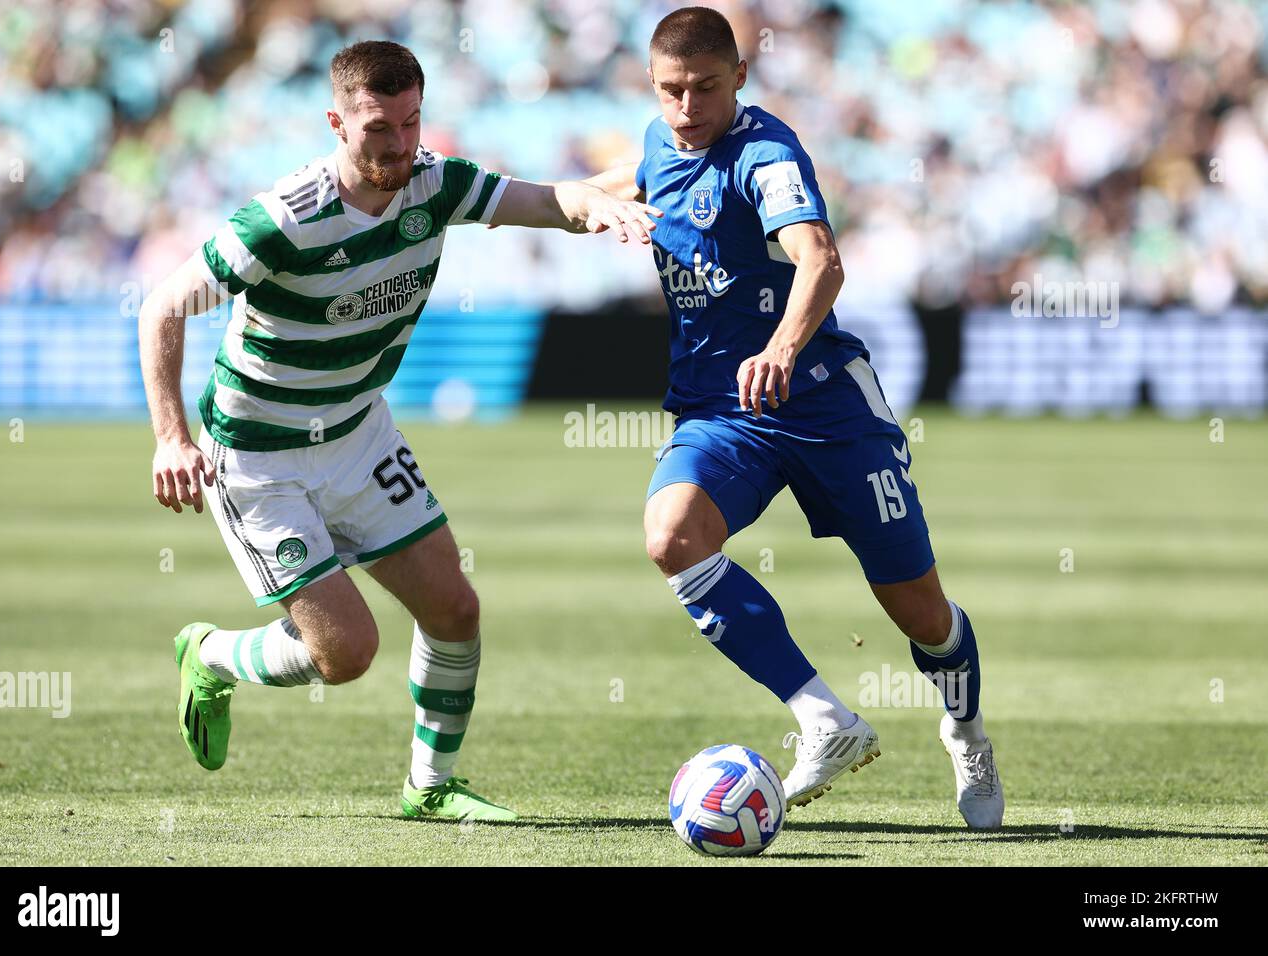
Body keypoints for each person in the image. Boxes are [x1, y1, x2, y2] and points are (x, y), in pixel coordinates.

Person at [138, 40, 661, 822]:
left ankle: (430, 785)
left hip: (358, 430)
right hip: (259, 456)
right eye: (380, 128)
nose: (400, 145)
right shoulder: (283, 220)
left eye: (412, 123)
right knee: (345, 654)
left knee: (455, 610)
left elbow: (552, 202)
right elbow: (162, 307)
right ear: (337, 122)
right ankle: (209, 654)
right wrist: (171, 438)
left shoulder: (435, 182)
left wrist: (608, 203)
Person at [587, 7, 1002, 828]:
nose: (687, 107)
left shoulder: (766, 155)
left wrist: (779, 347)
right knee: (671, 538)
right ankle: (823, 718)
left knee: (919, 609)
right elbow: (610, 188)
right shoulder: (654, 142)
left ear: (739, 76)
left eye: (705, 87)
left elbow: (821, 258)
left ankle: (966, 728)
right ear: (651, 86)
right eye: (671, 90)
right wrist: (552, 202)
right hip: (723, 412)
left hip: (822, 403)